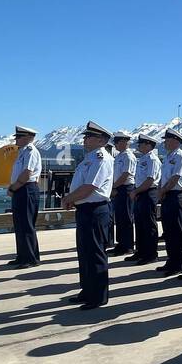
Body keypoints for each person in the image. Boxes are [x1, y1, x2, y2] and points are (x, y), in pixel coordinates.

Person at [61, 122, 115, 309]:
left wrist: (68, 198)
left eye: (88, 136)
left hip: (95, 210)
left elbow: (90, 187)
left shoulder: (101, 158)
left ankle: (98, 296)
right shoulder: (89, 158)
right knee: (84, 253)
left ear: (100, 140)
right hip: (85, 209)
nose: (84, 139)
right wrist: (73, 200)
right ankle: (87, 290)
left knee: (95, 253)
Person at [6, 125, 42, 268]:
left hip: (26, 189)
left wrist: (13, 188)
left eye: (19, 137)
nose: (16, 140)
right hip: (21, 189)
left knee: (26, 224)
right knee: (20, 224)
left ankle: (30, 258)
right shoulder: (22, 152)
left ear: (28, 137)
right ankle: (22, 255)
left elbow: (27, 173)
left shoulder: (30, 151)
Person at [157, 128, 182, 276]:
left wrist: (162, 191)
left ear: (176, 141)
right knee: (168, 230)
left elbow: (175, 178)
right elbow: (163, 178)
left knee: (176, 231)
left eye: (167, 139)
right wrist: (161, 190)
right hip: (166, 195)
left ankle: (179, 263)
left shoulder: (180, 156)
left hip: (175, 194)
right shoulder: (169, 156)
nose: (165, 142)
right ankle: (171, 260)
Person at [127, 135, 161, 265]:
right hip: (140, 193)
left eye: (141, 144)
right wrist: (136, 191)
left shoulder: (152, 159)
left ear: (148, 145)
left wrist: (136, 191)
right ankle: (141, 251)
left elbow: (150, 179)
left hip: (148, 192)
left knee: (149, 225)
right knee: (140, 224)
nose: (138, 146)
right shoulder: (143, 159)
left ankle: (151, 254)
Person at [109, 131, 137, 256]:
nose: (115, 145)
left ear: (123, 142)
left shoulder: (128, 156)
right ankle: (121, 244)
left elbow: (126, 174)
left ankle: (128, 246)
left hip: (125, 188)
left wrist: (114, 186)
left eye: (117, 142)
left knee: (126, 218)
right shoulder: (119, 156)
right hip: (119, 188)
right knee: (119, 218)